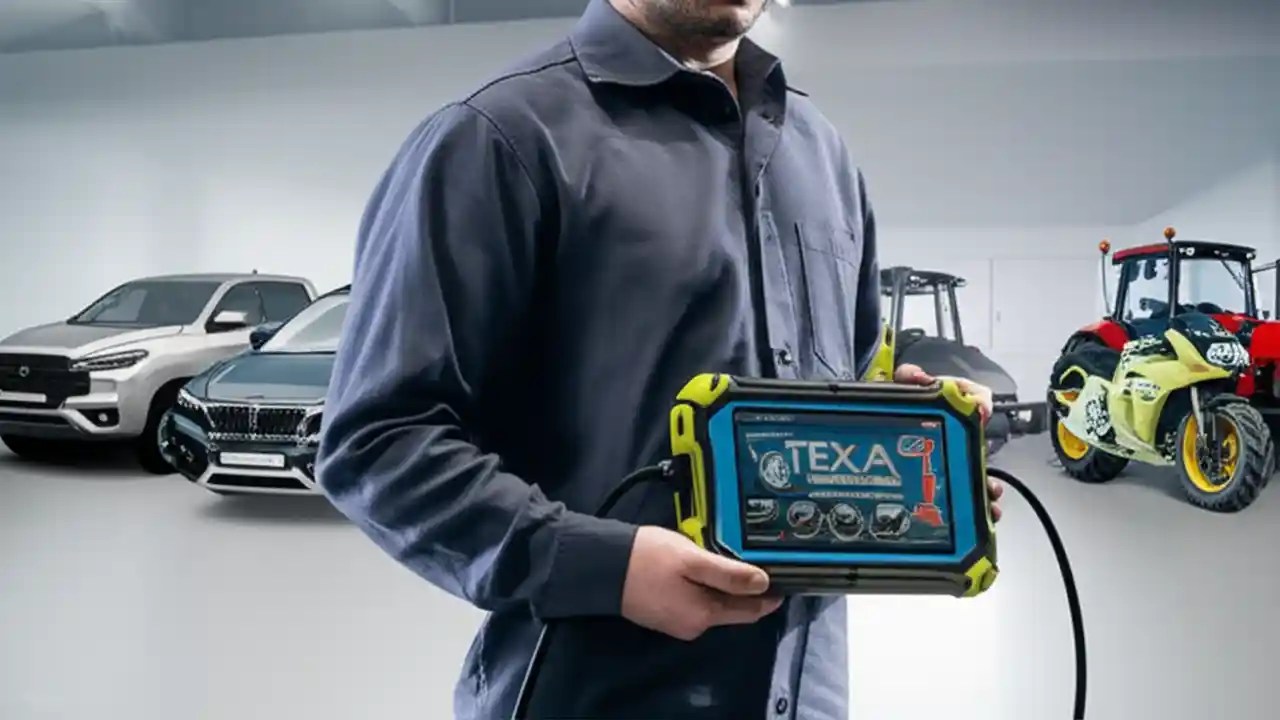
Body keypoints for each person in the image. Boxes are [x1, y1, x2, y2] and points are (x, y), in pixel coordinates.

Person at [315, 0, 1003, 718]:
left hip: (805, 696)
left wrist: (922, 462)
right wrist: (605, 569)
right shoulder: (499, 138)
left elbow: (838, 394)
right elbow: (378, 440)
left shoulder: (821, 151)